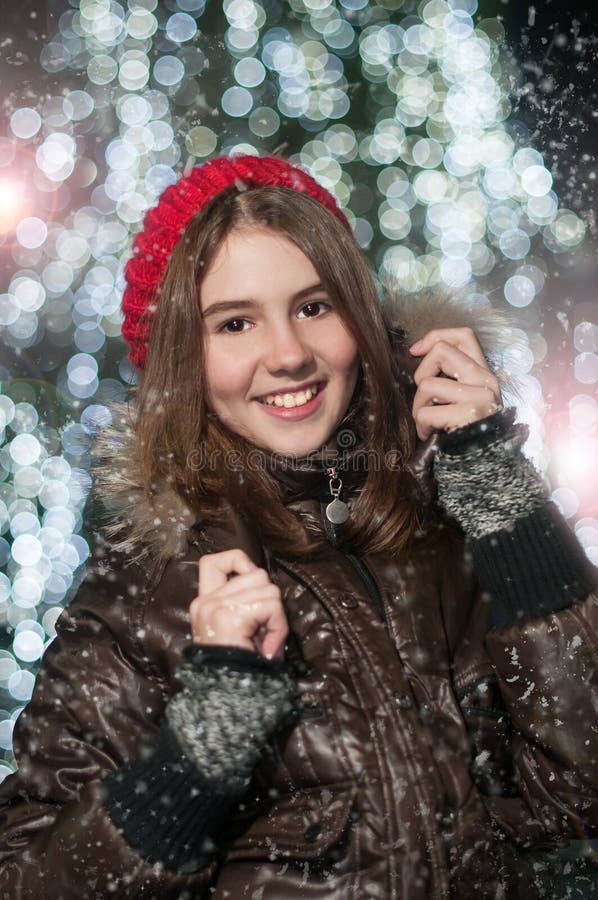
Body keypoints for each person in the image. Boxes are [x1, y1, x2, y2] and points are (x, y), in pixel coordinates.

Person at [0, 154, 596, 900]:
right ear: (185, 354)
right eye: (236, 322)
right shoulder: (144, 591)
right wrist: (204, 744)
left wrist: (503, 502)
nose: (288, 356)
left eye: (314, 307)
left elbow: (580, 795)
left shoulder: (455, 523)